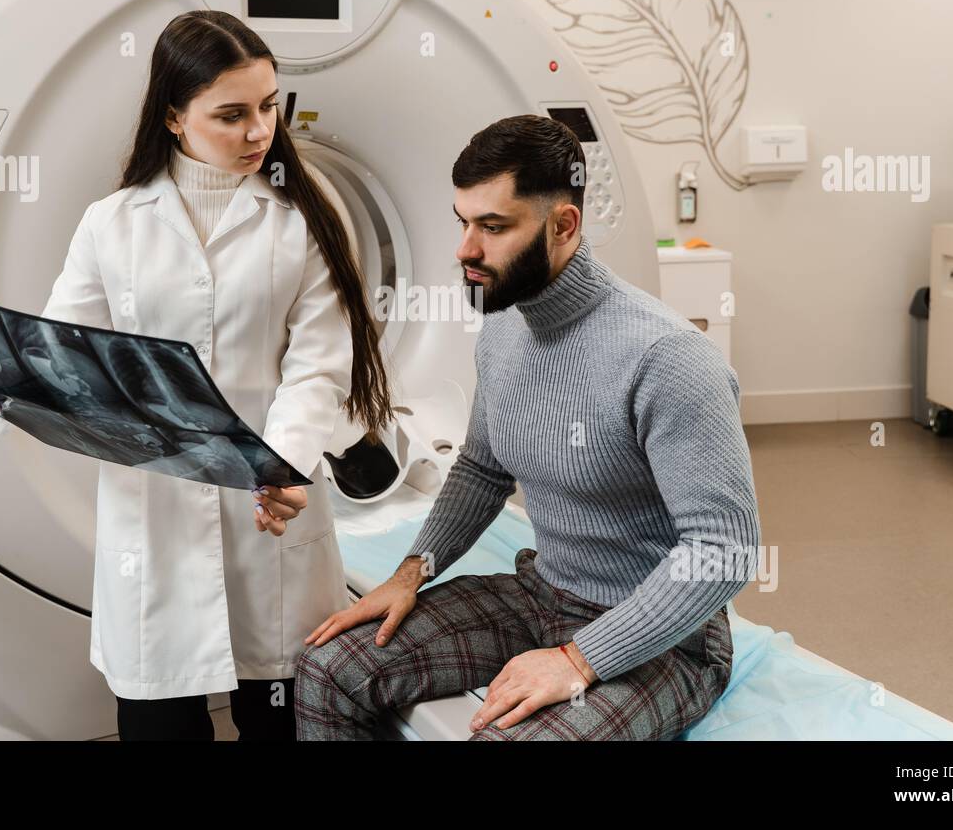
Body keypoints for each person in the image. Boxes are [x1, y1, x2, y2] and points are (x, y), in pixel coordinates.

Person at [0, 10, 392, 741]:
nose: (258, 132)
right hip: (152, 512)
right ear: (176, 119)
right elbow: (59, 356)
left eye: (270, 107)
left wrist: (284, 466)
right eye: (231, 114)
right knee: (159, 725)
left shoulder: (302, 218)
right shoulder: (111, 223)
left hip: (269, 509)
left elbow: (317, 368)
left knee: (278, 722)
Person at [295, 115, 760, 740]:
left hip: (665, 639)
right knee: (328, 670)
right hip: (542, 593)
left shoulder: (668, 360)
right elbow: (483, 470)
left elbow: (723, 550)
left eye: (493, 227)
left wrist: (578, 660)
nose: (465, 249)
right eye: (463, 222)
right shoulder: (505, 326)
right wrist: (411, 571)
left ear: (563, 225)